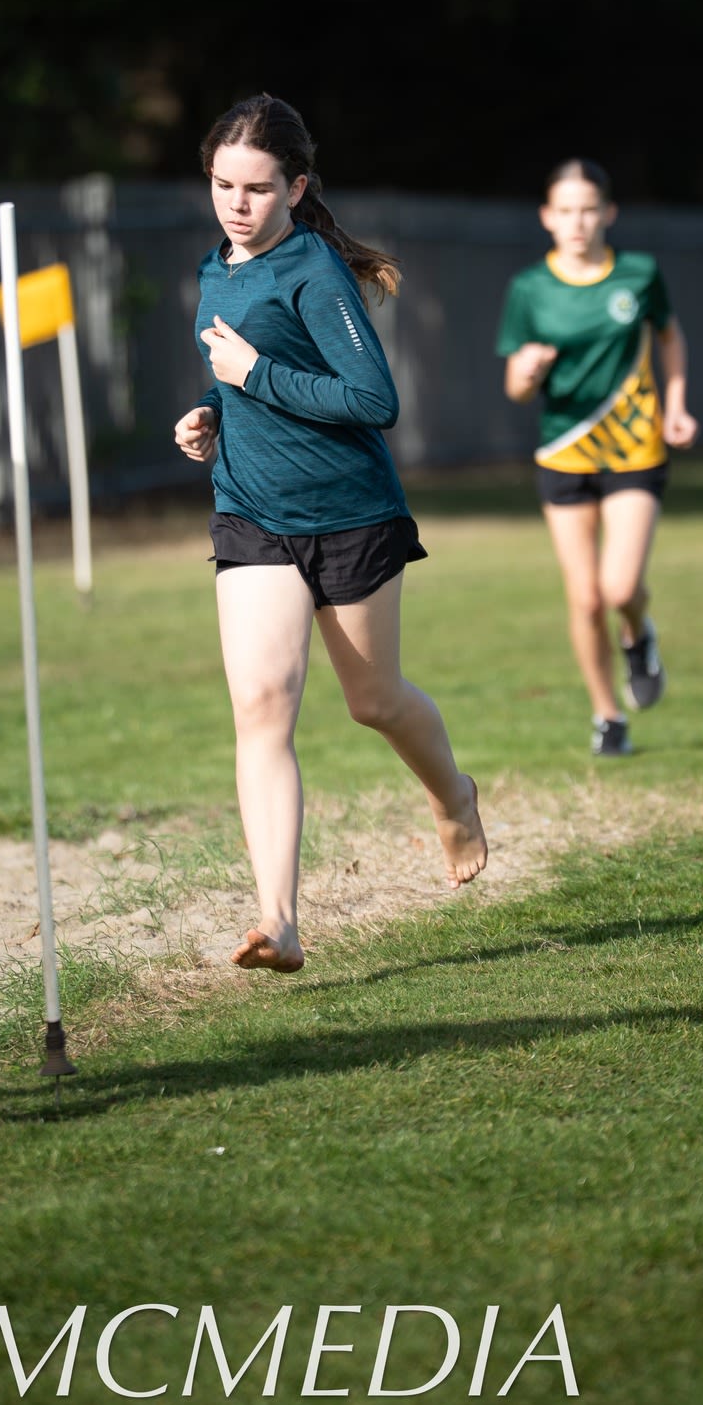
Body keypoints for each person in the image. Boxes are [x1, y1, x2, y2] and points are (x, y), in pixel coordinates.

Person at [173, 92, 487, 973]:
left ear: (296, 187)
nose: (236, 204)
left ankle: (454, 797)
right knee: (261, 704)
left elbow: (372, 400)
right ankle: (278, 921)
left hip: (349, 515)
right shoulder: (214, 270)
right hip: (250, 514)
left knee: (372, 702)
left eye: (257, 188)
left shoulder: (312, 270)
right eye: (222, 185)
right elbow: (238, 379)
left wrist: (252, 375)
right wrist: (208, 413)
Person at [496, 158, 699, 757]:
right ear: (547, 217)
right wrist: (527, 372)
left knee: (619, 586)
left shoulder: (639, 274)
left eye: (589, 209)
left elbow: (671, 336)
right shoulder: (529, 288)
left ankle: (638, 632)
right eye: (565, 211)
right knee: (584, 598)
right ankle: (608, 716)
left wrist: (677, 405)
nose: (578, 222)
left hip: (635, 448)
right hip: (564, 453)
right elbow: (515, 387)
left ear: (609, 213)